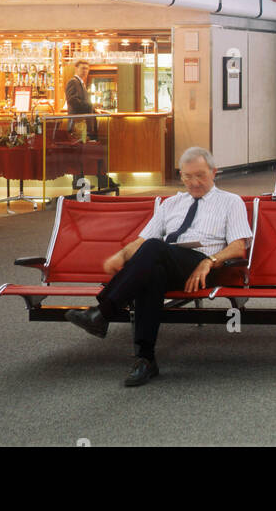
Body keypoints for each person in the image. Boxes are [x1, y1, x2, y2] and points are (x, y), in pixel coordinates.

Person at [64, 147, 252, 387]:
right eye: (187, 176)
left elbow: (238, 248)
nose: (194, 182)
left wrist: (209, 261)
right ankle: (145, 359)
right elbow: (142, 241)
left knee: (154, 250)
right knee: (151, 272)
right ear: (180, 175)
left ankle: (102, 313)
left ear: (214, 172)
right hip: (165, 260)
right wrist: (121, 256)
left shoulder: (230, 202)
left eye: (200, 175)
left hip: (203, 267)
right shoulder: (171, 203)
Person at [65, 60, 99, 140]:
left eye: (87, 69)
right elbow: (72, 101)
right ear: (76, 69)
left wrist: (93, 108)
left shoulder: (80, 83)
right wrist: (91, 105)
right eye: (83, 68)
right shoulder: (73, 82)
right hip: (77, 125)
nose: (85, 71)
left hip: (82, 124)